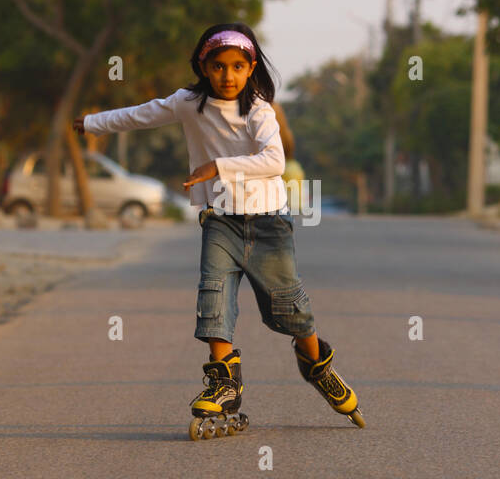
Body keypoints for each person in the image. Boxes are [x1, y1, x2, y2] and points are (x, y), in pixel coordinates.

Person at [73, 22, 364, 437]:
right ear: (203, 67)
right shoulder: (189, 103)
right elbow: (142, 114)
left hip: (269, 224)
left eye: (238, 66)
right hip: (221, 221)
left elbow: (274, 160)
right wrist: (94, 123)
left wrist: (218, 167)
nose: (228, 76)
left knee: (291, 310)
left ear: (251, 69)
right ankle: (224, 381)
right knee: (214, 298)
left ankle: (318, 367)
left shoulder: (259, 109)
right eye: (219, 66)